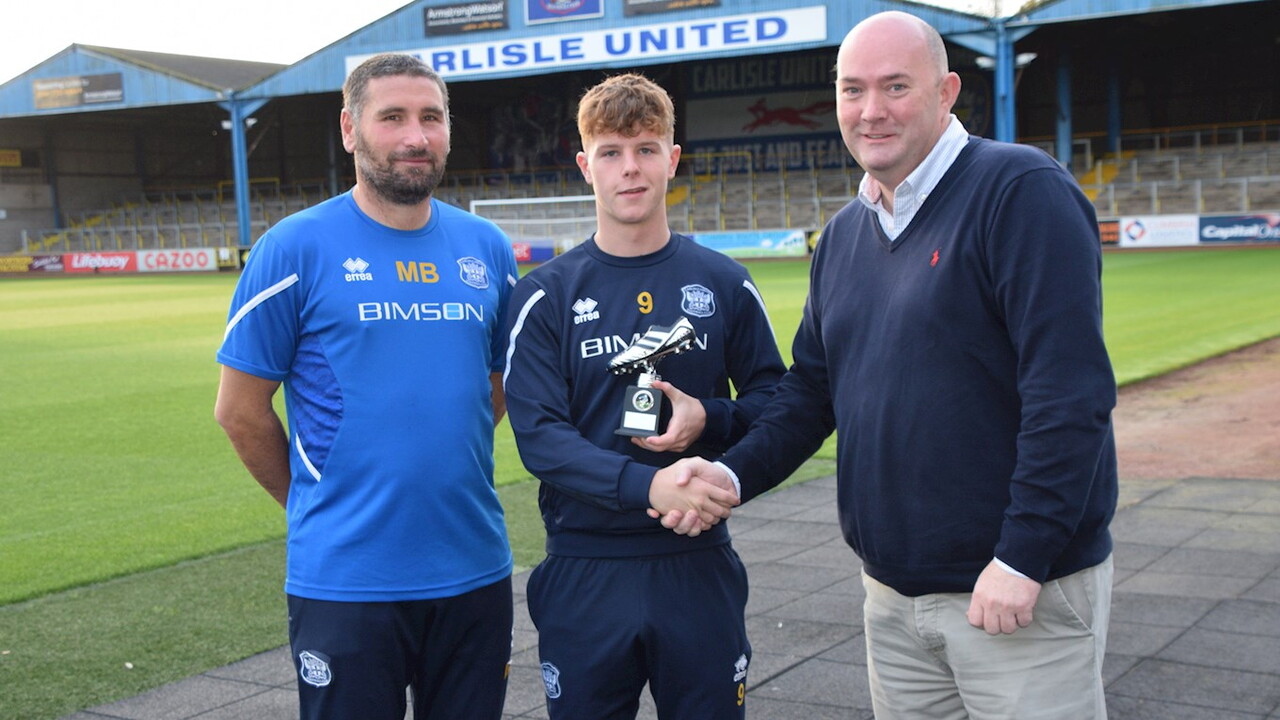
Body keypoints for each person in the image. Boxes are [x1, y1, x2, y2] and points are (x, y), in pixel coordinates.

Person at [657, 11, 1118, 719]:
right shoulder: (843, 236)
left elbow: (1070, 395)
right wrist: (728, 472)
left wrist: (1024, 556)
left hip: (1014, 595)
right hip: (893, 600)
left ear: (946, 92)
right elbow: (811, 393)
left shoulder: (1020, 191)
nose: (870, 111)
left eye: (896, 86)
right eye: (852, 90)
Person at [213, 53, 517, 720]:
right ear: (350, 129)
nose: (415, 136)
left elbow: (495, 384)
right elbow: (238, 412)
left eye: (431, 117)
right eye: (393, 117)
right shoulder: (294, 247)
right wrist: (312, 507)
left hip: (473, 568)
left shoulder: (487, 247)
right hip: (346, 579)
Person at [501, 73, 785, 719]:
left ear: (672, 159)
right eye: (611, 152)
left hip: (697, 560)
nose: (630, 169)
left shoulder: (724, 282)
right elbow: (541, 439)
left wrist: (709, 419)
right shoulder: (546, 294)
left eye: (646, 148)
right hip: (586, 563)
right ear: (585, 166)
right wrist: (650, 487)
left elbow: (778, 402)